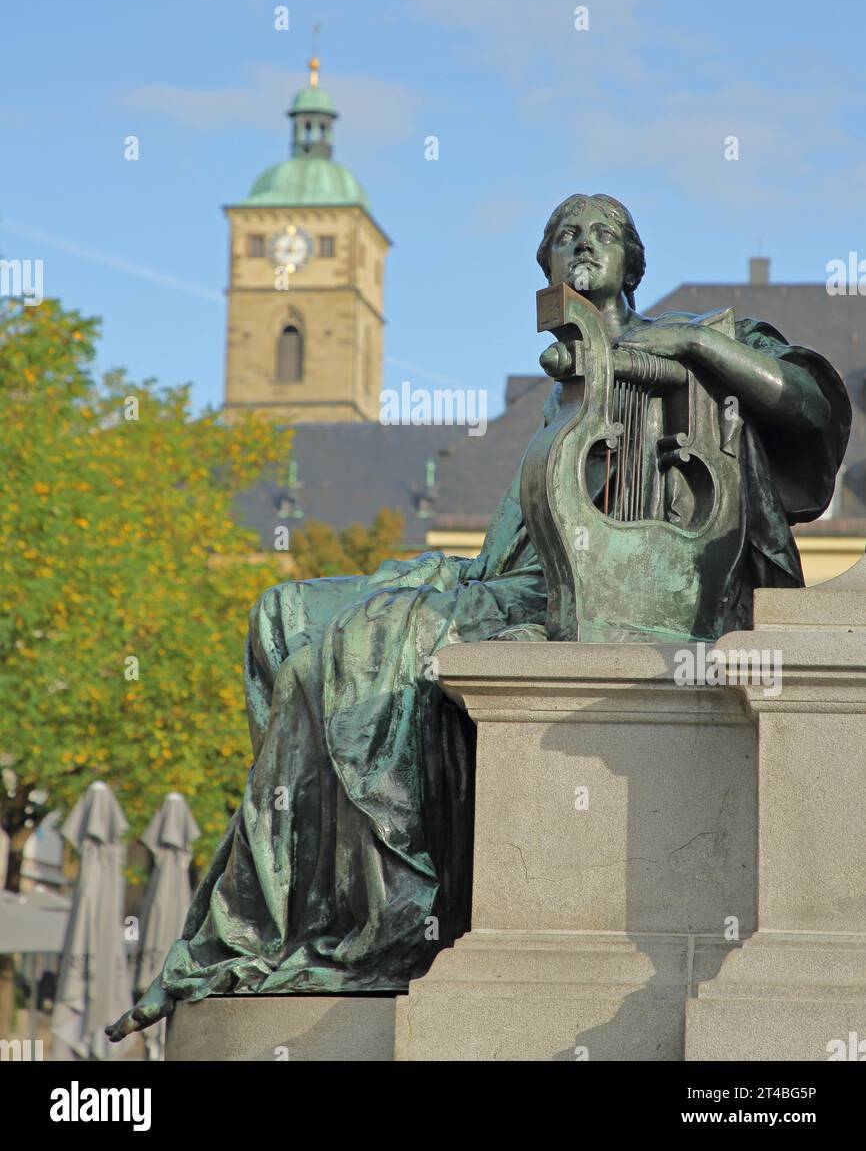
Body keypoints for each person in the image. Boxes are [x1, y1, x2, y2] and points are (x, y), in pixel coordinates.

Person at [107, 192, 849, 1040]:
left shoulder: (697, 330)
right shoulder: (560, 384)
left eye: (600, 235)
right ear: (544, 266)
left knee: (360, 647)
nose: (580, 247)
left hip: (617, 590)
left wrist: (691, 346)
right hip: (519, 579)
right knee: (284, 613)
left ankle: (382, 916)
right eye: (562, 236)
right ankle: (297, 916)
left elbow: (809, 408)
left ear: (632, 263)